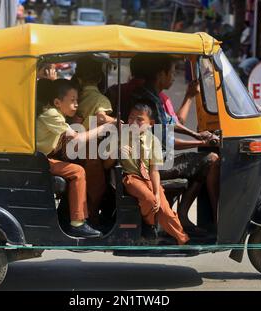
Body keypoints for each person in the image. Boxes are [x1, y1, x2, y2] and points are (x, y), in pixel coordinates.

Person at [129, 54, 220, 230]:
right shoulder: (148, 100)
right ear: (161, 74)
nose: (173, 77)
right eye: (171, 73)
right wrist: (201, 143)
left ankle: (183, 216)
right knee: (211, 160)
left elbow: (171, 123)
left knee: (205, 160)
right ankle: (198, 219)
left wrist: (197, 134)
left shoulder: (153, 95)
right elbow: (167, 141)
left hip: (156, 158)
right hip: (154, 164)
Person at [36, 79, 112, 238]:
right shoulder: (52, 115)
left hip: (42, 158)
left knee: (77, 164)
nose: (76, 105)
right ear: (57, 102)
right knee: (77, 172)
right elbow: (77, 138)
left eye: (77, 100)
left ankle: (70, 216)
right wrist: (103, 128)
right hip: (38, 161)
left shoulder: (57, 115)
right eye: (72, 101)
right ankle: (77, 223)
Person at [120, 104, 190, 245]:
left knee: (163, 208)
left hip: (149, 179)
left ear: (150, 124)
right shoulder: (121, 136)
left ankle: (183, 240)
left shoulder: (153, 141)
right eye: (131, 118)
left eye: (139, 120)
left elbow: (154, 170)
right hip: (131, 177)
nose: (134, 123)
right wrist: (117, 151)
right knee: (149, 200)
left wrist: (157, 192)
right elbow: (107, 163)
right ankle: (148, 224)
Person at [73, 56, 117, 225]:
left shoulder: (76, 98)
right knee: (97, 189)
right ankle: (91, 218)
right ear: (100, 78)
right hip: (92, 150)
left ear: (79, 78)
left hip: (76, 148)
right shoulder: (101, 99)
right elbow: (100, 116)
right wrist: (115, 121)